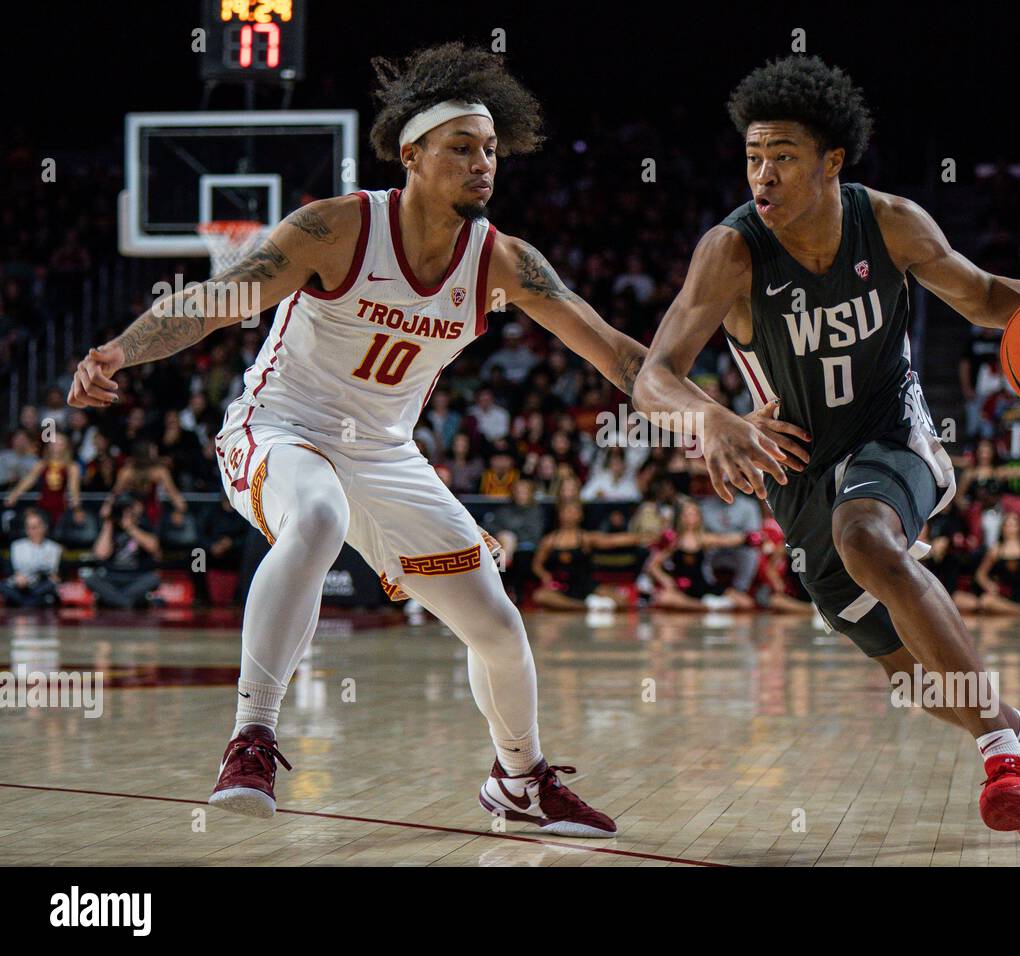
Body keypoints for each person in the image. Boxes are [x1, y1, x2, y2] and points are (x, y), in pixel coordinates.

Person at [69, 42, 790, 835]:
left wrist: (711, 417)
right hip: (279, 429)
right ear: (411, 153)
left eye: (490, 150)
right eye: (462, 148)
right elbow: (213, 299)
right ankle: (253, 733)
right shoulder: (335, 227)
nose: (484, 163)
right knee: (316, 518)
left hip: (384, 452)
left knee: (496, 623)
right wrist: (118, 352)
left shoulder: (503, 261)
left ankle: (519, 778)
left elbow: (620, 356)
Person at [635, 55, 1020, 843]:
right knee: (914, 679)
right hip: (796, 479)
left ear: (833, 161)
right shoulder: (729, 253)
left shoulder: (891, 221)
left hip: (891, 436)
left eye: (784, 158)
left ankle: (1002, 755)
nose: (762, 176)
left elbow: (976, 294)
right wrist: (712, 419)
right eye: (753, 157)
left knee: (864, 533)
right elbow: (654, 378)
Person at [530, 500, 642, 610]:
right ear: (560, 514)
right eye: (567, 511)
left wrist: (642, 537)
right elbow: (536, 565)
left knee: (622, 601)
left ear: (581, 515)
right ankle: (585, 606)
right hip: (562, 587)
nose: (570, 514)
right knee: (540, 596)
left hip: (587, 585)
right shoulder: (549, 540)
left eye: (575, 511)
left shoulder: (586, 538)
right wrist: (545, 575)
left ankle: (584, 604)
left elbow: (612, 540)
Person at [646, 500, 757, 610]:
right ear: (681, 517)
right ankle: (706, 606)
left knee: (746, 602)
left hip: (703, 584)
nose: (690, 518)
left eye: (694, 514)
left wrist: (746, 538)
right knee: (665, 599)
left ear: (699, 517)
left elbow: (725, 540)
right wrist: (667, 580)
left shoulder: (702, 539)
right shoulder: (675, 540)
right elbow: (652, 565)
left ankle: (707, 605)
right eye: (687, 514)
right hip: (683, 588)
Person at [85, 495, 161, 609]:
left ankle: (114, 601)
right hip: (112, 576)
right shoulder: (110, 526)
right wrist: (108, 523)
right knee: (91, 579)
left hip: (136, 576)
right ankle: (126, 602)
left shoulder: (143, 524)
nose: (125, 513)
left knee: (153, 579)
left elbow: (153, 547)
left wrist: (130, 527)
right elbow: (100, 554)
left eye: (128, 510)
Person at [0, 509, 61, 608]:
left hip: (40, 586)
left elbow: (52, 573)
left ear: (44, 528)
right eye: (28, 528)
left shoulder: (54, 548)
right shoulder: (17, 545)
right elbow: (11, 570)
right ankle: (30, 602)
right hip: (20, 586)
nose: (31, 531)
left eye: (34, 527)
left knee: (50, 586)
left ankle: (24, 603)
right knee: (4, 586)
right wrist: (17, 577)